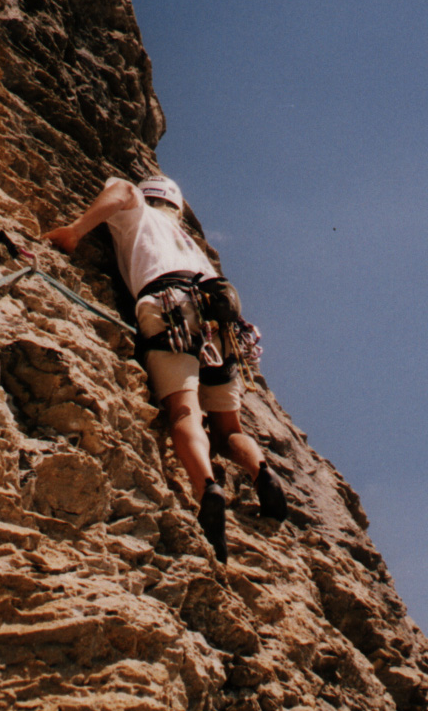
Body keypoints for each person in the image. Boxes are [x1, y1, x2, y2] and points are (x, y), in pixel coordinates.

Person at [43, 174, 287, 563]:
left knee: (184, 411)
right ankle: (261, 472)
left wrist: (74, 232)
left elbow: (122, 191)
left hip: (169, 302)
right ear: (175, 206)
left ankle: (206, 487)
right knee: (229, 430)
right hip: (220, 319)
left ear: (149, 197)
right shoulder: (189, 241)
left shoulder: (139, 211)